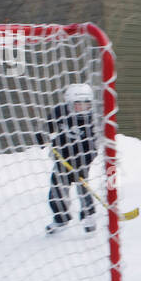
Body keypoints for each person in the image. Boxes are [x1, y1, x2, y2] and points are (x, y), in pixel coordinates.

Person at [41, 83, 98, 235]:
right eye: (78, 104)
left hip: (82, 159)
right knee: (56, 189)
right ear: (69, 103)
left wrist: (83, 161)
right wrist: (42, 137)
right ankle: (61, 219)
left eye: (86, 104)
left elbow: (93, 146)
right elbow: (48, 126)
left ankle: (88, 217)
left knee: (83, 188)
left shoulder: (91, 120)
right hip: (62, 158)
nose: (82, 107)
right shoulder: (60, 111)